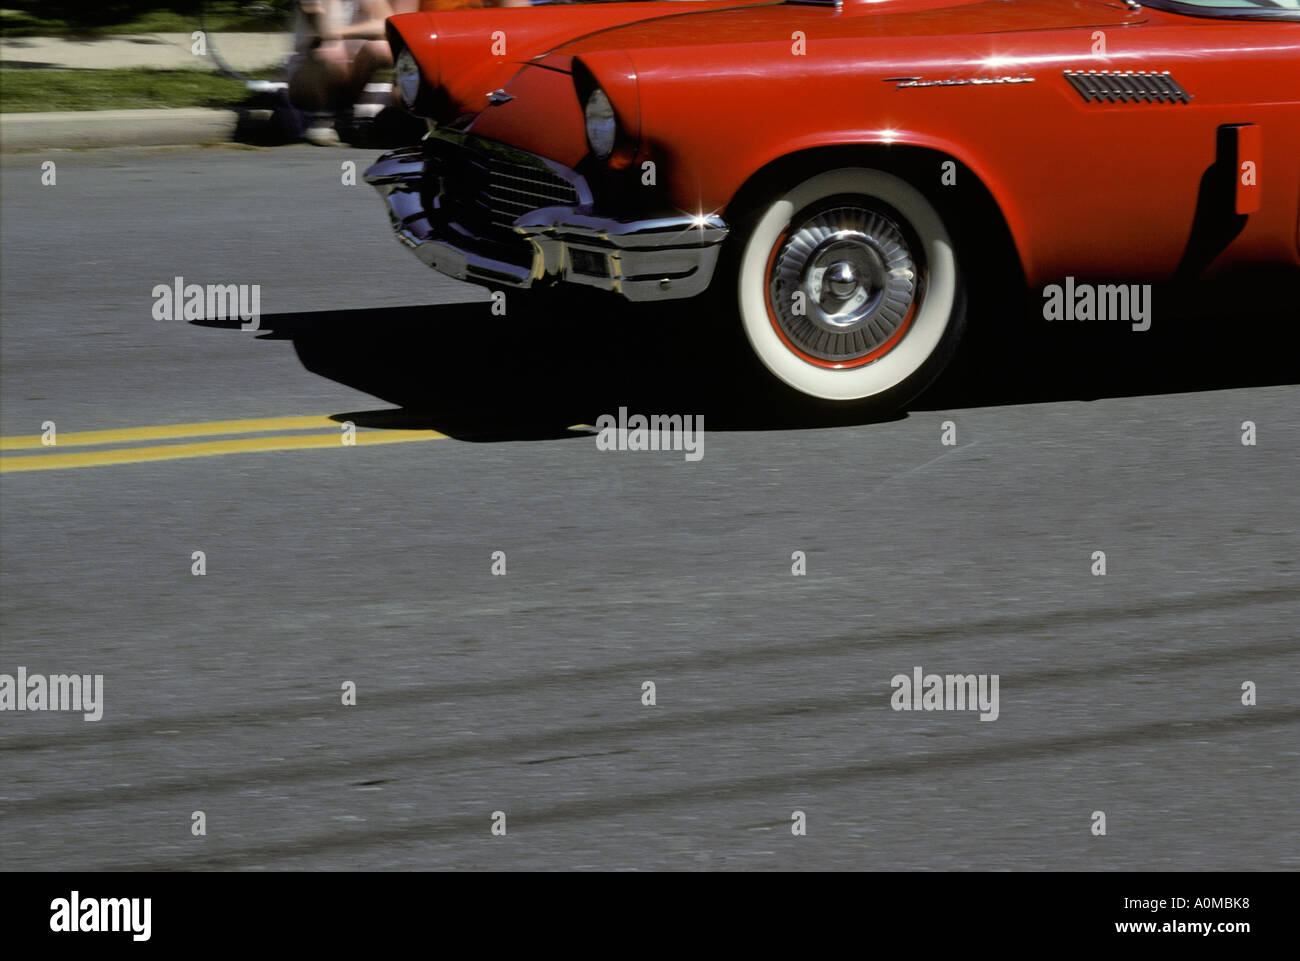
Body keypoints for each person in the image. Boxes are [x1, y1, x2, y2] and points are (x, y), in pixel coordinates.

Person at [287, 0, 420, 145]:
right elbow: (325, 33)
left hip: (348, 74)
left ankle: (345, 111)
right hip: (310, 76)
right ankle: (323, 117)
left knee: (380, 49)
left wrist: (340, 32)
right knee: (331, 52)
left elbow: (387, 25)